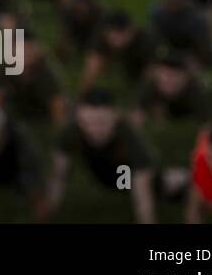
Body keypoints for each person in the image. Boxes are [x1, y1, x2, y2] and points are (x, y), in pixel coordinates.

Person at [47, 88, 158, 223]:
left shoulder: (129, 135)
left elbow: (143, 191)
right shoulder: (70, 131)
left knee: (163, 184)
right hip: (101, 169)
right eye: (87, 123)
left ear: (115, 117)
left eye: (102, 123)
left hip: (129, 171)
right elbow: (57, 177)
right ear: (78, 118)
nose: (94, 130)